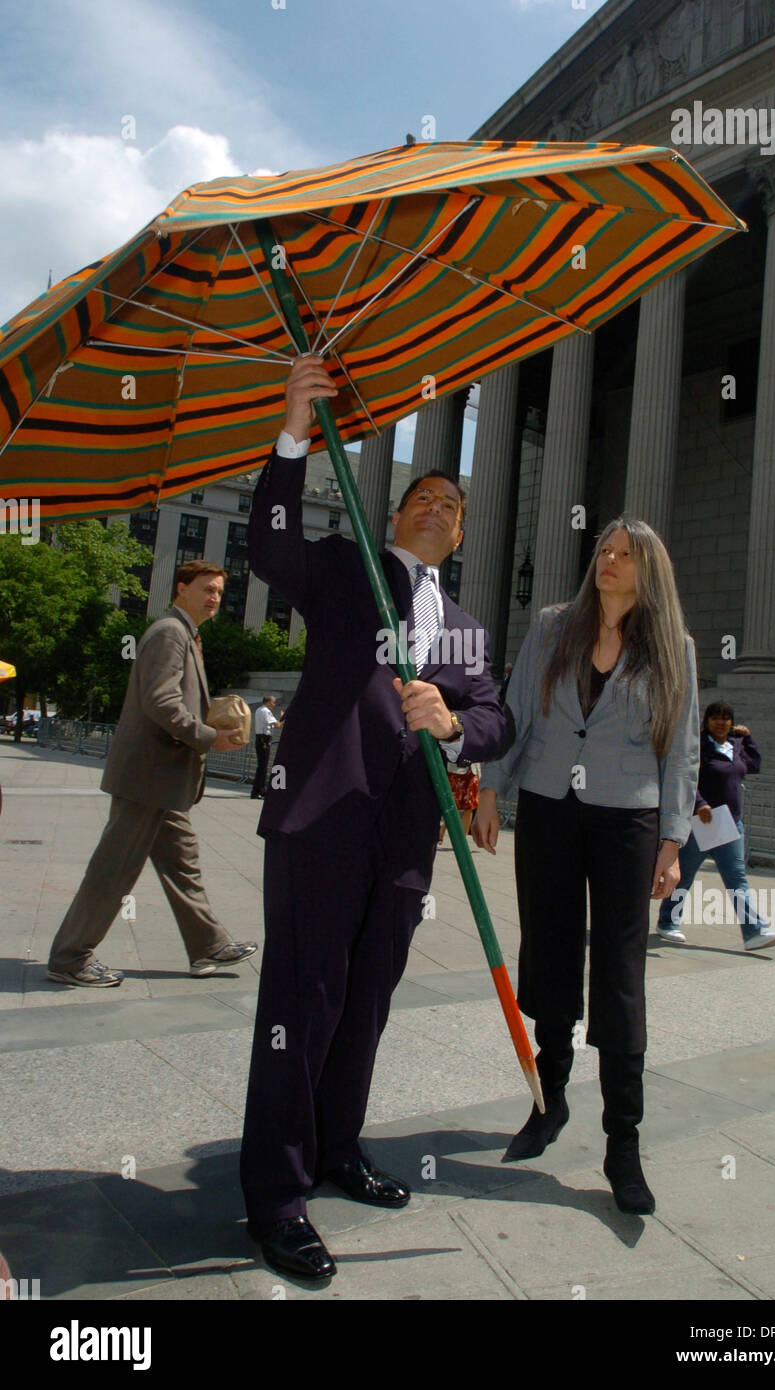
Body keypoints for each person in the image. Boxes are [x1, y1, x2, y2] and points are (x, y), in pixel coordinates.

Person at [240, 355, 509, 1283]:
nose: (436, 505)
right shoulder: (346, 567)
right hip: (321, 819)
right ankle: (276, 1197)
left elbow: (494, 716)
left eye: (452, 502)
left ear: (462, 530)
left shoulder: (466, 623)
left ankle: (337, 1148)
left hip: (404, 839)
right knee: (300, 1007)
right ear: (393, 514)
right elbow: (268, 549)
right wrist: (291, 429)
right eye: (421, 495)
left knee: (365, 1006)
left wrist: (456, 725)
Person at [473, 519, 699, 1216]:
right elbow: (516, 711)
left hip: (625, 817)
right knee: (548, 949)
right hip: (547, 805)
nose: (609, 560)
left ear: (649, 569)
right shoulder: (551, 626)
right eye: (603, 549)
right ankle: (551, 1097)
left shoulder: (672, 647)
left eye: (625, 554)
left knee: (620, 971)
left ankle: (621, 1143)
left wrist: (671, 838)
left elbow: (681, 743)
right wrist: (489, 788)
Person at [46, 561, 258, 987]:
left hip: (165, 781)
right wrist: (207, 736)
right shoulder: (168, 633)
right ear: (181, 588)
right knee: (114, 869)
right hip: (148, 778)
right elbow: (160, 702)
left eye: (219, 591)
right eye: (206, 589)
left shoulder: (186, 635)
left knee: (183, 865)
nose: (215, 597)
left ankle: (209, 945)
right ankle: (70, 957)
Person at [657, 702, 775, 951]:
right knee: (684, 877)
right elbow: (686, 776)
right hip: (699, 823)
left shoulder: (735, 745)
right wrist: (700, 804)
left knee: (737, 877)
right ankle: (667, 922)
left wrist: (748, 739)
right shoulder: (698, 744)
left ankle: (754, 932)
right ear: (707, 721)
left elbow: (753, 766)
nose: (721, 722)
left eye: (726, 718)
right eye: (716, 717)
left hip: (729, 824)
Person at [250, 696, 282, 799]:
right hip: (264, 739)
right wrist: (283, 718)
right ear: (268, 702)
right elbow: (277, 725)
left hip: (261, 739)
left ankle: (257, 790)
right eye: (273, 702)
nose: (274, 704)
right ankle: (260, 790)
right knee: (263, 767)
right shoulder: (266, 711)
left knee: (261, 766)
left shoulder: (259, 710)